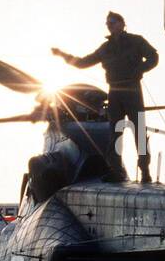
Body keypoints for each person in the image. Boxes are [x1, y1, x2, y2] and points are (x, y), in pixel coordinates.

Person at [52, 12, 159, 184]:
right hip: (114, 92)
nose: (109, 25)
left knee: (139, 132)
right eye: (107, 23)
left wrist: (140, 69)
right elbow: (82, 62)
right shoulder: (105, 48)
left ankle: (145, 171)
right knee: (114, 134)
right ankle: (116, 172)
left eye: (113, 22)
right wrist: (63, 55)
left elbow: (154, 57)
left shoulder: (136, 41)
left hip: (132, 90)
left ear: (122, 23)